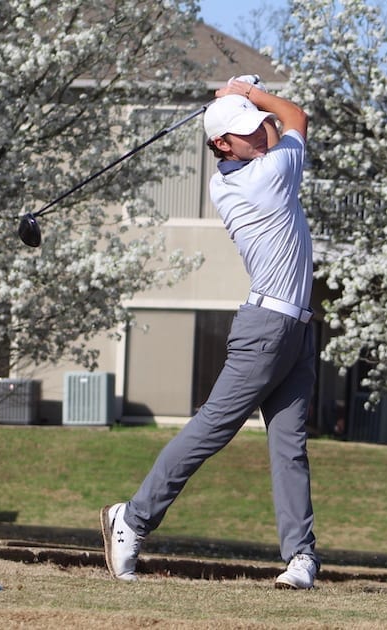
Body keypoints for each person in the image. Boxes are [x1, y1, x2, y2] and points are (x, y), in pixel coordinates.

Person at [101, 76, 319, 590]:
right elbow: (297, 117)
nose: (262, 133)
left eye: (261, 127)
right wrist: (248, 91)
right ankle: (131, 519)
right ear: (222, 144)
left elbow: (281, 122)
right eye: (248, 131)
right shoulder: (260, 178)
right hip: (267, 328)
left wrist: (240, 101)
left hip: (296, 327)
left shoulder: (246, 171)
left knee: (290, 445)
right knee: (213, 429)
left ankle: (301, 557)